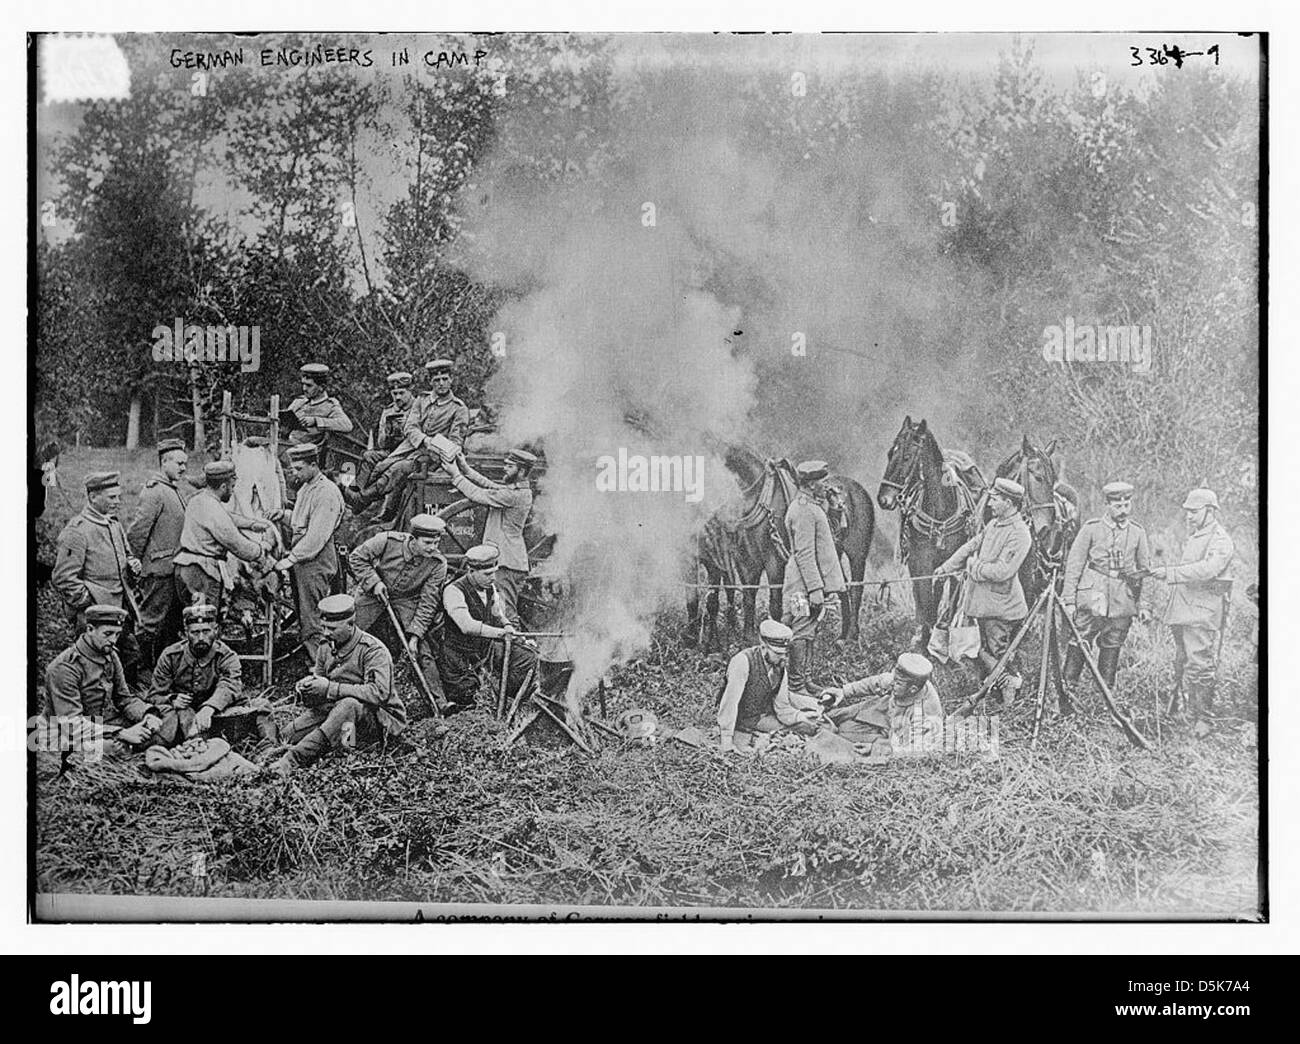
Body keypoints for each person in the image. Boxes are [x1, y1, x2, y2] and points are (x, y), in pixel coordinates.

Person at [268, 594, 406, 775]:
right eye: (323, 627)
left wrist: (329, 688)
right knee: (287, 736)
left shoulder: (372, 651)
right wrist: (307, 689)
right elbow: (319, 695)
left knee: (349, 705)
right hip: (338, 715)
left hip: (379, 723)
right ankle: (280, 752)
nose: (325, 633)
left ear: (350, 624)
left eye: (332, 628)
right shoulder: (326, 647)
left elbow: (378, 694)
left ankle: (294, 760)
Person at [936, 476, 1032, 710]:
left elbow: (1002, 571)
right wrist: (947, 567)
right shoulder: (994, 524)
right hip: (983, 604)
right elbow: (972, 546)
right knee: (980, 650)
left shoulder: (1019, 533)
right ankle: (995, 692)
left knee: (996, 653)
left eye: (995, 500)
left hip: (1001, 609)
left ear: (1009, 503)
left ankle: (1009, 699)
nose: (989, 504)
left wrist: (972, 567)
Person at [1148, 487, 1235, 735]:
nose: (1189, 517)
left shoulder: (1220, 539)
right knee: (1181, 659)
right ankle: (1183, 707)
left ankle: (1203, 719)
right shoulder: (1197, 535)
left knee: (1200, 663)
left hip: (1201, 613)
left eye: (1194, 512)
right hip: (1184, 610)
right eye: (1187, 512)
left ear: (1210, 511)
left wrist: (1170, 572)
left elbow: (1207, 570)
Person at [1060, 480, 1152, 713]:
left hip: (1122, 598)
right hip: (1092, 595)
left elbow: (1145, 570)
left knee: (1113, 643)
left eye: (1127, 503)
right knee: (1080, 639)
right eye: (1117, 504)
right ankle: (1066, 694)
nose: (1123, 509)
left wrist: (1144, 604)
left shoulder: (1138, 533)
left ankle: (1104, 698)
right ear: (1107, 505)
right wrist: (1069, 599)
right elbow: (1074, 565)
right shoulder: (1091, 529)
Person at [349, 513, 450, 711]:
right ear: (413, 539)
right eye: (428, 542)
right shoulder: (387, 541)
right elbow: (357, 557)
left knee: (421, 649)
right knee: (349, 634)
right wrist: (374, 583)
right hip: (373, 594)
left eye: (436, 542)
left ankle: (439, 702)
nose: (433, 547)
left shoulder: (438, 564)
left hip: (407, 601)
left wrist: (415, 635)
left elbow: (428, 602)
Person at [344, 358, 470, 512]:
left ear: (451, 380)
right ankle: (363, 501)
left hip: (434, 457)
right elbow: (410, 427)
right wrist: (425, 439)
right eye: (437, 380)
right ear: (431, 381)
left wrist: (434, 446)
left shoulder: (459, 408)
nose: (441, 383)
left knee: (397, 469)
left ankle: (361, 499)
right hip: (409, 448)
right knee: (380, 466)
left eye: (445, 379)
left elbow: (455, 443)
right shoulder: (422, 400)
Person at [52, 471, 143, 682]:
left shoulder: (114, 525)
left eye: (119, 496)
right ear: (93, 497)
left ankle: (126, 706)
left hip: (121, 610)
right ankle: (95, 712)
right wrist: (90, 604)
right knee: (94, 669)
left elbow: (127, 556)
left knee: (129, 659)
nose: (117, 502)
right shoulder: (77, 531)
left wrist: (132, 566)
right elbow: (64, 578)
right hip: (94, 617)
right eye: (112, 497)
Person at [147, 602, 276, 748]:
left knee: (262, 706)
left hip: (220, 711)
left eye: (206, 631)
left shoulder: (226, 655)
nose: (201, 637)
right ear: (185, 633)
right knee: (177, 718)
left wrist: (209, 708)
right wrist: (172, 699)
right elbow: (154, 695)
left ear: (216, 631)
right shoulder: (171, 656)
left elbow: (230, 685)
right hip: (185, 716)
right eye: (195, 632)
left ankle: (268, 751)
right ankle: (195, 747)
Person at [43, 605, 163, 749]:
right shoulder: (65, 667)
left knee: (161, 725)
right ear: (90, 629)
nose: (113, 640)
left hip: (103, 724)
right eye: (108, 633)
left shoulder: (110, 654)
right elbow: (71, 723)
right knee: (115, 747)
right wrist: (120, 733)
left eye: (117, 634)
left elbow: (124, 699)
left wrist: (147, 714)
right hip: (67, 732)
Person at [439, 544, 539, 712]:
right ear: (471, 571)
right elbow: (466, 626)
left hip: (485, 650)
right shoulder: (453, 591)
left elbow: (498, 614)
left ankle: (503, 694)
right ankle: (488, 696)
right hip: (459, 655)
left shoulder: (489, 588)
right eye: (487, 574)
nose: (493, 577)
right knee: (469, 698)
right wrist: (501, 634)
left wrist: (507, 626)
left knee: (527, 657)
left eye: (494, 572)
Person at [444, 447, 537, 626]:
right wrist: (465, 468)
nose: (505, 469)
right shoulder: (514, 491)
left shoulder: (514, 495)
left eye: (510, 466)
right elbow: (489, 485)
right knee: (500, 612)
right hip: (506, 559)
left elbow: (479, 494)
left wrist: (456, 475)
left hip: (506, 562)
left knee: (506, 614)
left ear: (522, 471)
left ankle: (517, 650)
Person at [270, 443, 345, 661]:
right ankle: (317, 657)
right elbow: (300, 521)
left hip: (315, 560)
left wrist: (290, 559)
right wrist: (282, 514)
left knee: (313, 614)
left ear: (314, 465)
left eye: (299, 468)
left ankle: (322, 666)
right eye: (293, 469)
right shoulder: (306, 487)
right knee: (305, 611)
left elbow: (316, 536)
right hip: (304, 560)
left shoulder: (327, 492)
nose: (295, 473)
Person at [173, 461, 275, 619]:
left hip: (185, 568)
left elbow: (226, 517)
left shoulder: (199, 500)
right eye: (232, 487)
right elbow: (238, 545)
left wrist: (251, 524)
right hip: (202, 573)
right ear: (223, 487)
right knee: (206, 624)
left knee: (191, 622)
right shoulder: (213, 509)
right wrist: (262, 551)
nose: (233, 491)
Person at [781, 460, 846, 694]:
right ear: (810, 485)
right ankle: (796, 686)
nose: (825, 486)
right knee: (800, 631)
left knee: (809, 629)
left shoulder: (810, 506)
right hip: (801, 588)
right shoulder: (804, 510)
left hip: (806, 585)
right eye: (822, 482)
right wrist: (815, 589)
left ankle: (805, 679)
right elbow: (804, 553)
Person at [127, 438, 191, 666]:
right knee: (149, 624)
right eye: (178, 463)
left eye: (185, 463)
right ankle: (136, 671)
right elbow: (138, 532)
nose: (183, 468)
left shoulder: (172, 489)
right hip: (157, 572)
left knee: (170, 626)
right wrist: (131, 562)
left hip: (173, 571)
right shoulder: (154, 491)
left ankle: (161, 671)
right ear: (164, 462)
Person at [716, 618, 823, 755]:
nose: (783, 658)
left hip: (762, 715)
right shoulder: (742, 662)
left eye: (785, 653)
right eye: (778, 653)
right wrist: (726, 740)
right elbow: (729, 704)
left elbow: (782, 706)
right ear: (763, 647)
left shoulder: (779, 667)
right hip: (740, 720)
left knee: (809, 726)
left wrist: (799, 717)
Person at [821, 652, 944, 758]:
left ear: (912, 689)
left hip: (898, 737)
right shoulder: (901, 681)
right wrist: (844, 691)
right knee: (841, 725)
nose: (892, 683)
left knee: (847, 742)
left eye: (898, 683)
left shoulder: (926, 712)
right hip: (884, 717)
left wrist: (877, 748)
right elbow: (875, 683)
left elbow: (921, 749)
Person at [346, 371, 418, 511]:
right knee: (368, 456)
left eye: (401, 393)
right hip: (391, 451)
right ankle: (356, 495)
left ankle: (362, 499)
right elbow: (382, 444)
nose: (397, 397)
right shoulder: (389, 411)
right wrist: (388, 433)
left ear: (410, 391)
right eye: (394, 393)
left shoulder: (418, 408)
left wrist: (405, 427)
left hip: (408, 452)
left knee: (388, 469)